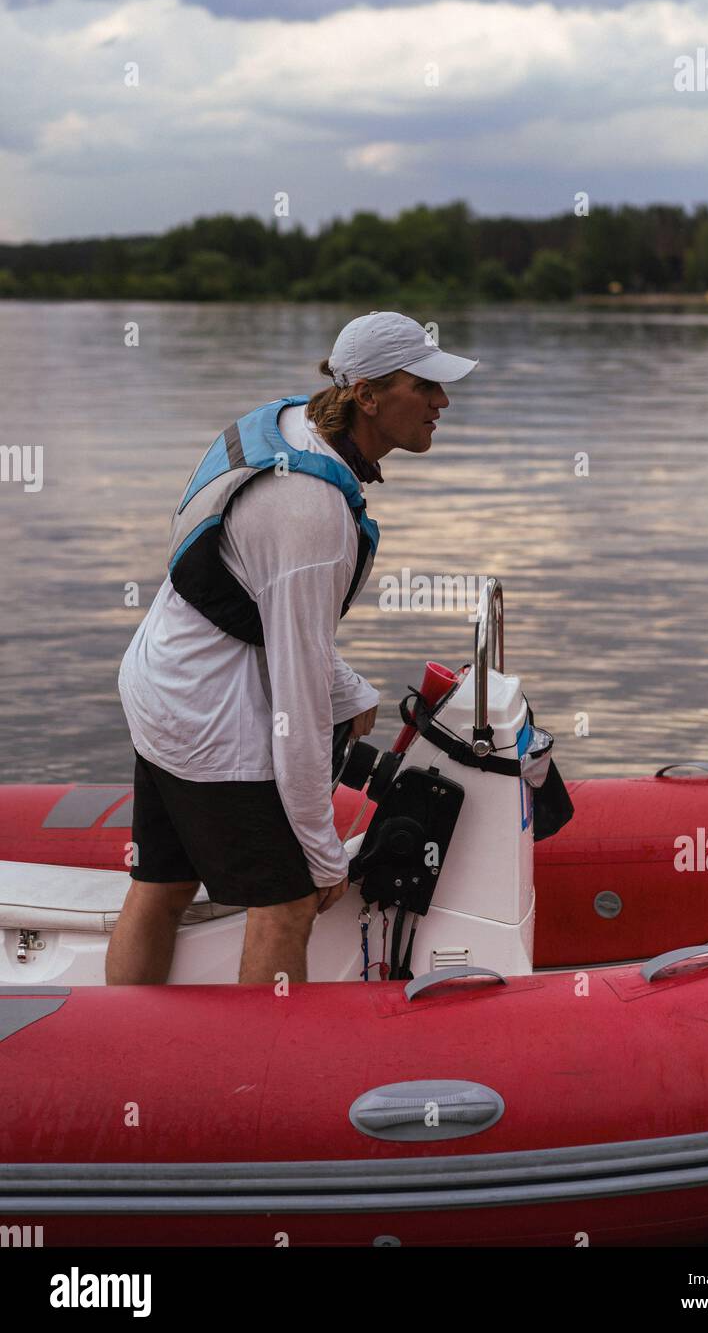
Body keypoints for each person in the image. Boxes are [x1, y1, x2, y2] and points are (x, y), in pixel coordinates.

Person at [107, 311, 478, 985]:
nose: (441, 402)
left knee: (162, 886)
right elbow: (298, 705)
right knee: (288, 903)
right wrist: (320, 849)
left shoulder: (292, 426)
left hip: (161, 679)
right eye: (424, 386)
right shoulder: (312, 511)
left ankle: (127, 1054)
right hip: (208, 721)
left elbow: (260, 605)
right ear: (367, 395)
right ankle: (263, 1081)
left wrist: (349, 688)